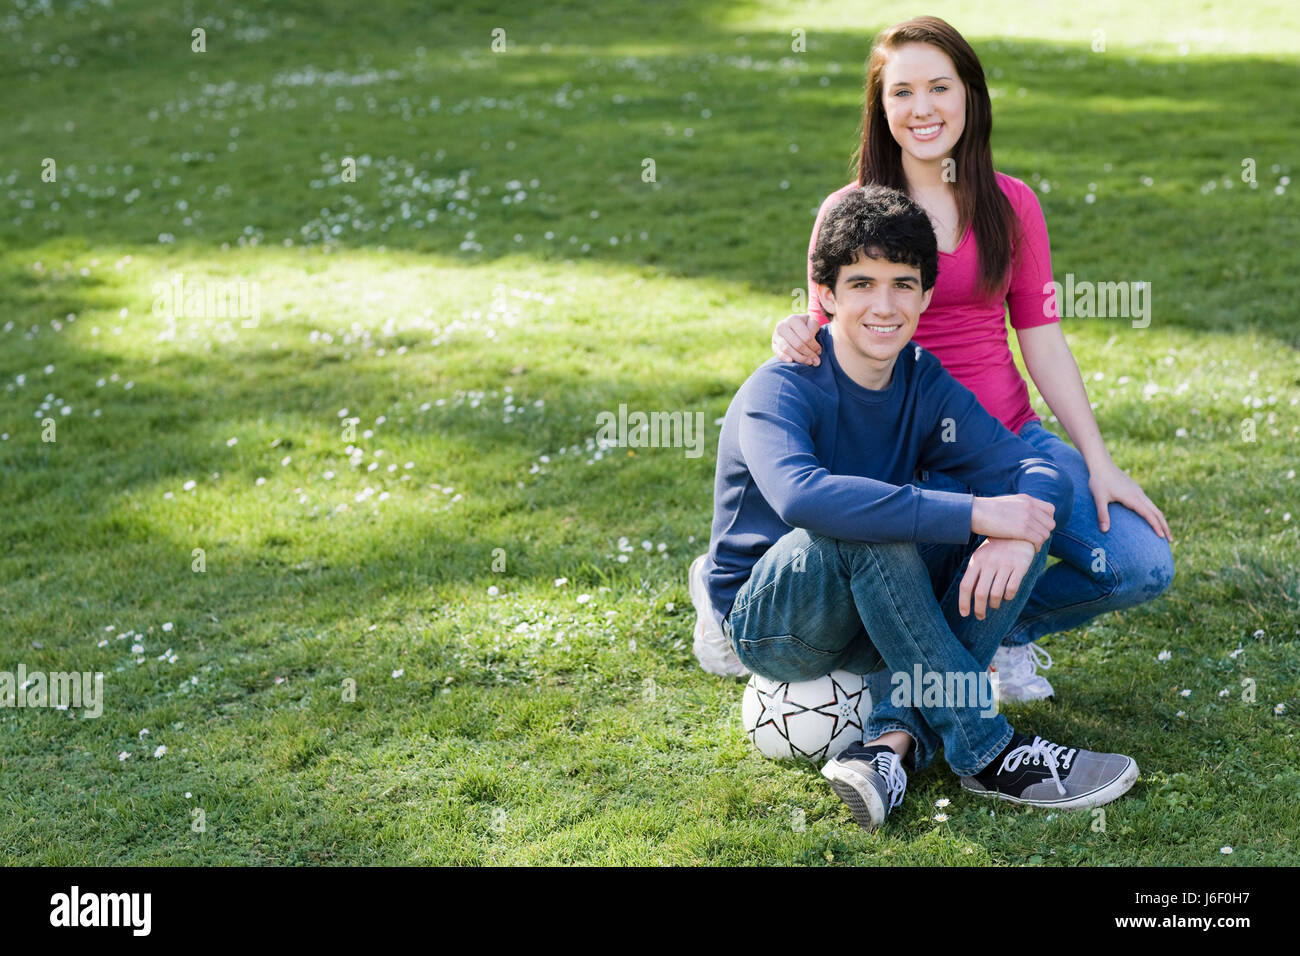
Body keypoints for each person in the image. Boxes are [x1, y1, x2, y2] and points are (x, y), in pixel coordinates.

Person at [691, 15, 1173, 702]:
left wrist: (1098, 460)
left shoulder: (1012, 205)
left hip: (1004, 441)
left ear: (969, 96)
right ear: (880, 108)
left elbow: (1041, 336)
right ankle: (927, 652)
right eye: (902, 92)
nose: (923, 109)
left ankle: (996, 632)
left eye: (940, 88)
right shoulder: (849, 211)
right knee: (888, 580)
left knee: (1138, 564)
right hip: (903, 456)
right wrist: (791, 330)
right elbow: (831, 330)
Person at [704, 183, 1137, 828]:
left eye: (903, 284)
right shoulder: (780, 388)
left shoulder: (923, 380)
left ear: (927, 296)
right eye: (861, 284)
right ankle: (987, 749)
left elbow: (1034, 468)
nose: (884, 305)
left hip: (871, 612)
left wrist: (1014, 533)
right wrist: (972, 516)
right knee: (873, 523)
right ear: (824, 296)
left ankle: (887, 748)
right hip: (776, 624)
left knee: (1024, 515)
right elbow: (804, 496)